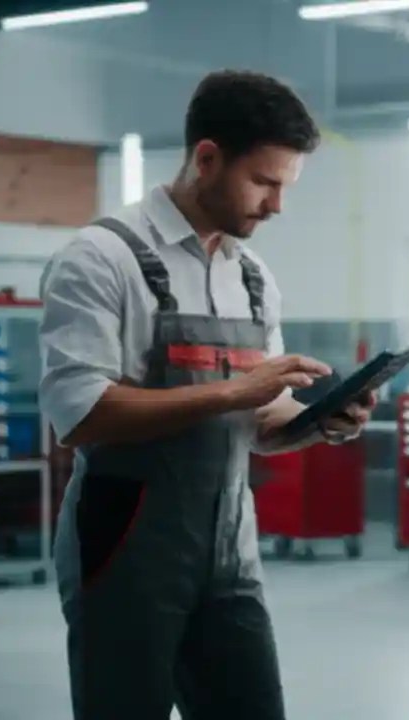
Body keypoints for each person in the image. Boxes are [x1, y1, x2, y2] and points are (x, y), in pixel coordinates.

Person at [38, 69, 374, 720]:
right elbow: (80, 414)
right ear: (207, 158)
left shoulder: (253, 279)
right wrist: (234, 390)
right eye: (264, 182)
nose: (277, 205)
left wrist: (318, 422)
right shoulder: (101, 258)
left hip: (230, 553)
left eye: (286, 186)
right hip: (125, 551)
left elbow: (261, 422)